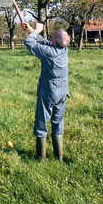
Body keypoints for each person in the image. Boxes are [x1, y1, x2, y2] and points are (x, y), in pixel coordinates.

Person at [21, 21, 70, 160]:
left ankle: (40, 159)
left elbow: (29, 43)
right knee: (58, 122)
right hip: (62, 91)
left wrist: (36, 31)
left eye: (53, 35)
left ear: (55, 40)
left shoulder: (48, 53)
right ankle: (58, 157)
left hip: (49, 90)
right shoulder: (63, 50)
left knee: (41, 122)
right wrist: (31, 29)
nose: (51, 37)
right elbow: (43, 42)